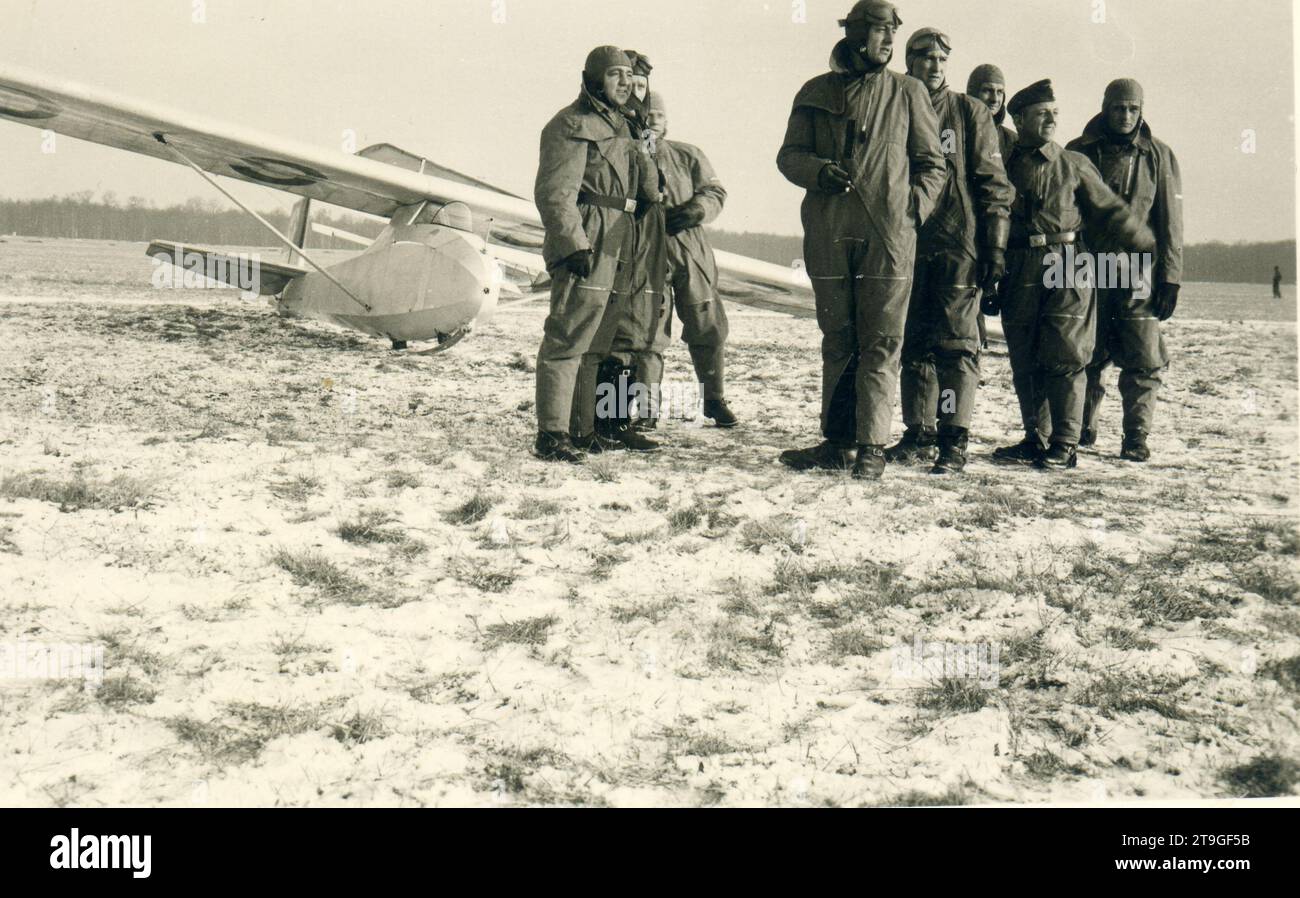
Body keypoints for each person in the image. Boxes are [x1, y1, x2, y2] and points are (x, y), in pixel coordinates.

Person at [775, 0, 946, 480]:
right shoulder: (813, 91)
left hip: (890, 237)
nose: (888, 40)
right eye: (877, 30)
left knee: (882, 340)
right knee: (838, 339)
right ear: (853, 32)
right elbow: (789, 155)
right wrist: (817, 171)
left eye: (892, 31)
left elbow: (934, 164)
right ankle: (837, 442)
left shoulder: (909, 92)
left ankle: (872, 446)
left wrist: (912, 210)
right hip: (829, 232)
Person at [986, 79, 1155, 470]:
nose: (1050, 119)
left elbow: (1111, 212)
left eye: (1055, 113)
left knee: (1065, 353)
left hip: (1067, 261)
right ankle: (1036, 437)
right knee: (1024, 356)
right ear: (1019, 118)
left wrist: (1143, 249)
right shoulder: (1002, 166)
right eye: (1041, 113)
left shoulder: (1074, 163)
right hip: (1019, 264)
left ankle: (1065, 442)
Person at [887, 28, 1013, 475]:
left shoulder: (968, 112)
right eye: (925, 57)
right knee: (912, 343)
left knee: (955, 348)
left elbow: (994, 185)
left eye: (942, 58)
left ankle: (952, 439)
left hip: (958, 245)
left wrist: (994, 247)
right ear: (909, 60)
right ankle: (917, 433)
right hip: (904, 243)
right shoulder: (894, 103)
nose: (935, 65)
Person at [533, 46, 650, 463]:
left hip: (623, 242)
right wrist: (573, 245)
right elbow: (554, 193)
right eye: (615, 74)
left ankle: (586, 430)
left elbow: (648, 190)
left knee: (604, 343)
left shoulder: (625, 127)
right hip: (590, 240)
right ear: (594, 78)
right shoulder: (569, 124)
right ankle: (552, 434)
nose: (624, 82)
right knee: (569, 337)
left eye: (628, 75)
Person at [1066, 78, 1183, 461]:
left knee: (1143, 357)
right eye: (1118, 107)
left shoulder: (1158, 156)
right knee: (1084, 352)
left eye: (1133, 108)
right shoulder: (1077, 152)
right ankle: (1081, 425)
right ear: (1104, 107)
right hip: (1087, 267)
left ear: (1142, 111)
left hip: (1137, 272)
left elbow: (1170, 222)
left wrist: (1170, 277)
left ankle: (1136, 436)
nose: (1125, 115)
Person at [628, 91, 737, 429]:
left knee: (708, 324)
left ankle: (714, 400)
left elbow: (715, 191)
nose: (652, 123)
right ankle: (645, 411)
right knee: (647, 330)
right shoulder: (627, 155)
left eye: (657, 116)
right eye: (645, 117)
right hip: (646, 251)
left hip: (690, 249)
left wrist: (696, 210)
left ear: (667, 120)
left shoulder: (688, 154)